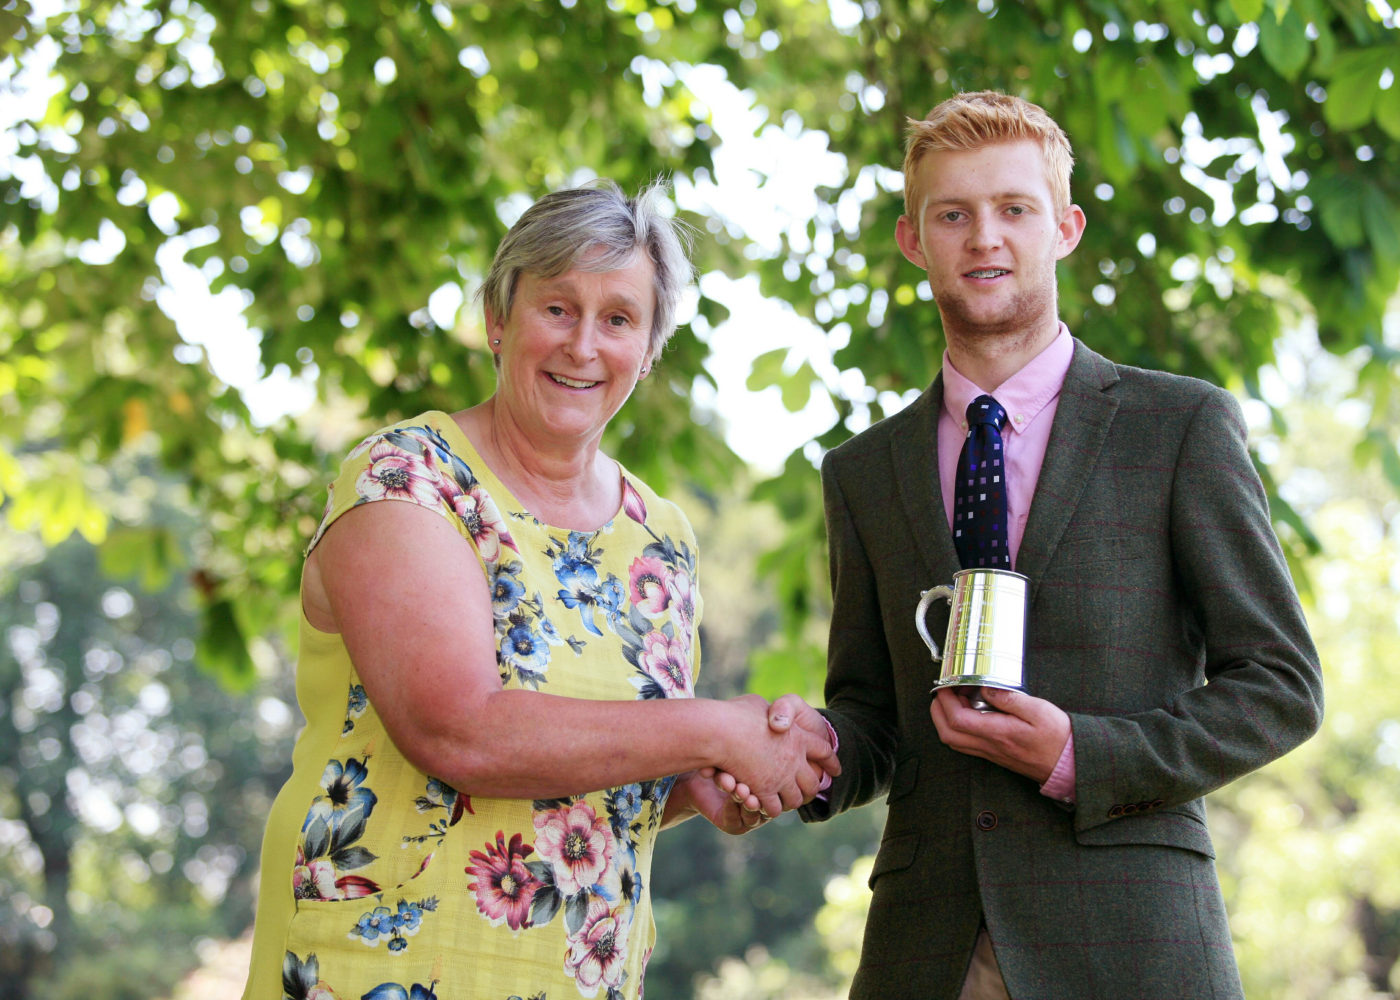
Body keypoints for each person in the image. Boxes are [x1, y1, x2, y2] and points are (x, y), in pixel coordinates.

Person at [720, 91, 1323, 998]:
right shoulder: (862, 472)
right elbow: (876, 720)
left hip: (1133, 946)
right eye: (953, 215)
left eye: (1014, 210)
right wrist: (805, 756)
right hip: (924, 953)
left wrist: (1083, 754)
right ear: (913, 241)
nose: (984, 238)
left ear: (1066, 229)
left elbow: (1282, 687)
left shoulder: (1180, 427)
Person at [241, 181, 837, 1000]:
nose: (584, 345)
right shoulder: (410, 478)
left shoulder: (662, 539)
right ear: (498, 317)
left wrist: (714, 781)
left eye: (619, 319)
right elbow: (460, 734)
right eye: (558, 308)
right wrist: (713, 727)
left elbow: (602, 774)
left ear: (649, 346)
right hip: (376, 974)